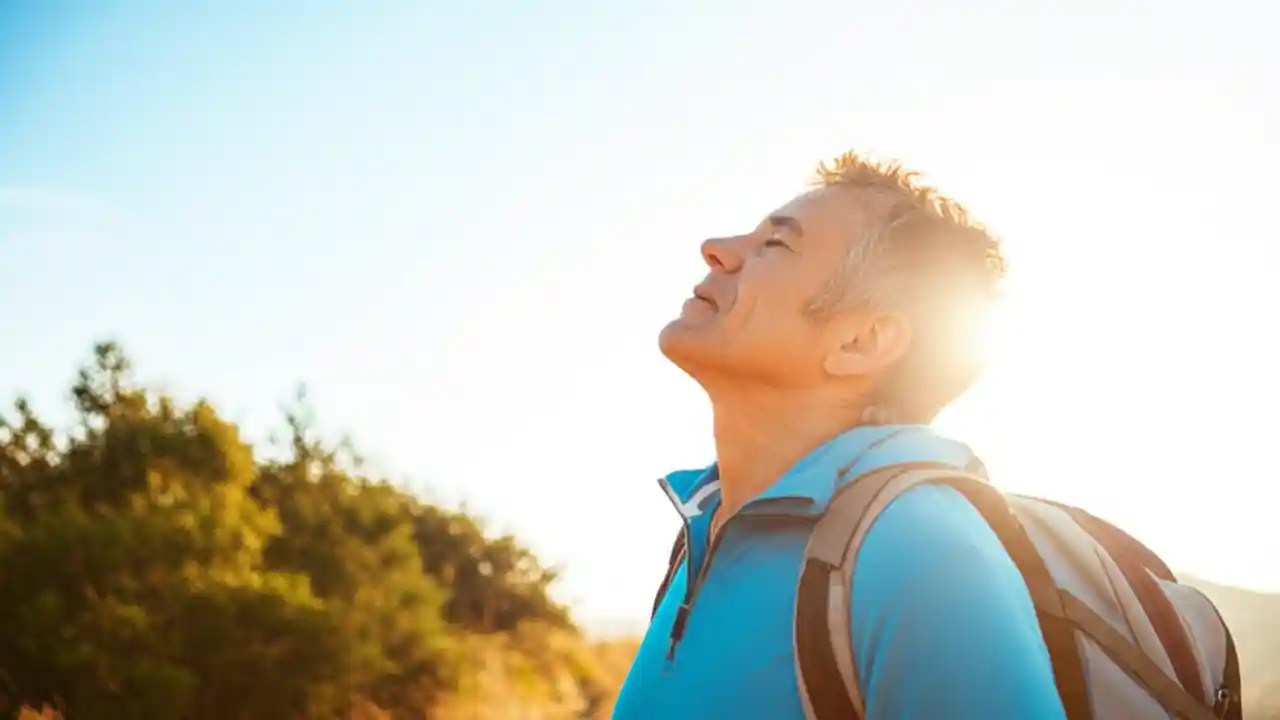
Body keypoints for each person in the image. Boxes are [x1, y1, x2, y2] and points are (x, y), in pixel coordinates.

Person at [611, 152, 1068, 719]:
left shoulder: (918, 550)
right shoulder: (705, 532)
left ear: (861, 341)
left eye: (775, 245)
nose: (717, 247)